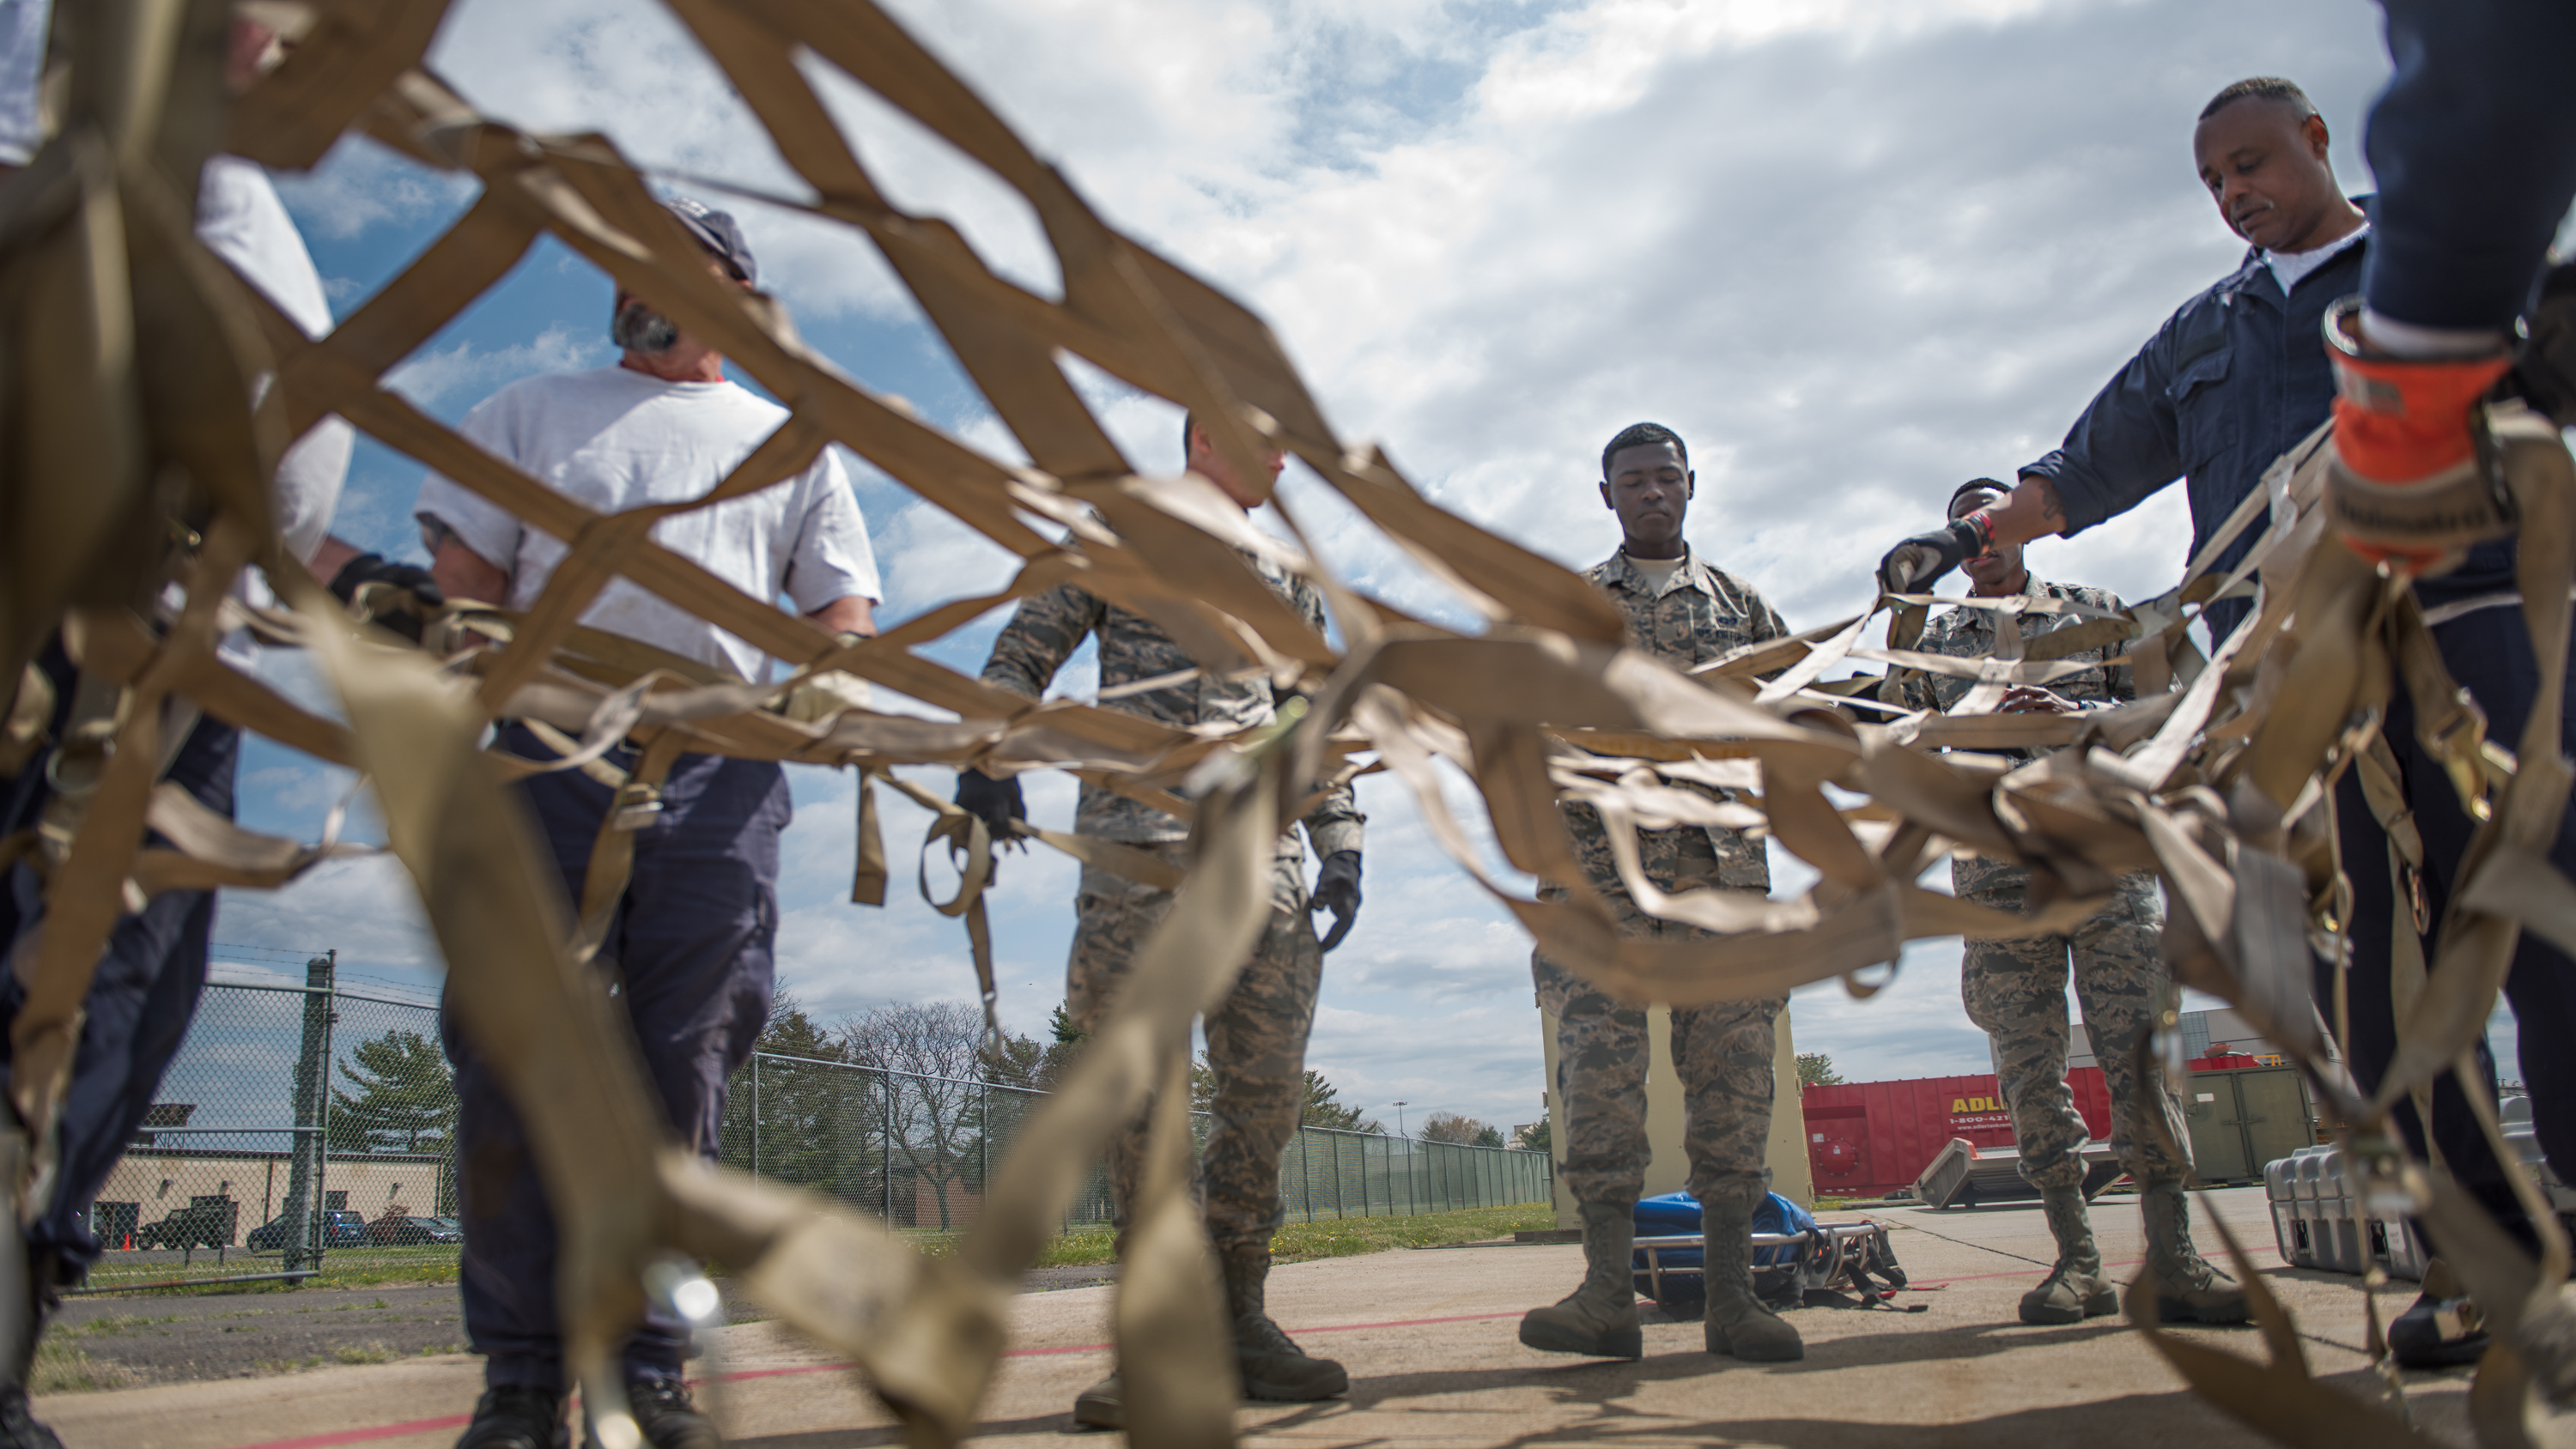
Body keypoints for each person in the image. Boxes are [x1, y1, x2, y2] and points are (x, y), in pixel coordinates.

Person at [1874, 75, 2558, 1361]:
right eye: (2212, 182)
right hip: (2298, 698)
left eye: (2252, 164)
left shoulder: (2444, 262)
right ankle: (2476, 1266)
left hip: (2465, 639)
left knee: (2535, 916)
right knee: (2370, 978)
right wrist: (1961, 532)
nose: (2236, 193)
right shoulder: (2209, 330)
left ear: (2315, 141)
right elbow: (2087, 467)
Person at [0, 12, 426, 1447]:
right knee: (40, 1001)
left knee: (126, 1010)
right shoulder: (51, 128)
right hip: (64, 640)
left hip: (183, 655)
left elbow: (225, 428)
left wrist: (348, 571)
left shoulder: (208, 181)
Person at [414, 199, 880, 1449]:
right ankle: (520, 1379)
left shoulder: (789, 444)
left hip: (719, 775)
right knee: (513, 1062)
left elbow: (842, 608)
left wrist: (822, 684)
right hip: (541, 761)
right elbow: (463, 590)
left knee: (686, 1064)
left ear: (737, 292)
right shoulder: (522, 414)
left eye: (676, 263)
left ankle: (651, 1365)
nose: (639, 280)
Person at [952, 415, 1363, 1430]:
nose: (1282, 462)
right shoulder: (1117, 529)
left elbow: (1315, 712)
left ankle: (1240, 1317)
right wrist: (984, 759)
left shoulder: (1288, 567)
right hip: (1133, 860)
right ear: (1207, 436)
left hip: (1261, 863)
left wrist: (1344, 837)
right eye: (1266, 442)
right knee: (1138, 1107)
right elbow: (1023, 649)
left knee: (1265, 1096)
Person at [1909, 480, 2234, 1326]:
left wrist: (2074, 714)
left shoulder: (2099, 615)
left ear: (2023, 530)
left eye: (1993, 521)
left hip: (2103, 867)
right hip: (1997, 881)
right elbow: (1899, 745)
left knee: (2137, 1060)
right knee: (2030, 1073)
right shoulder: (1934, 639)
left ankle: (2176, 1259)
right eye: (1964, 531)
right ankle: (2077, 1260)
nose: (1982, 541)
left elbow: (2168, 719)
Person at [1516, 421, 1801, 1365]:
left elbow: (1796, 720)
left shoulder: (1743, 604)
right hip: (1599, 877)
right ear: (1607, 496)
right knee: (1598, 1077)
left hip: (1719, 874)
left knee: (1732, 1076)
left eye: (1663, 477)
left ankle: (1733, 1297)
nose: (1649, 492)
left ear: (1691, 485)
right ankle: (1606, 1296)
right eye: (1630, 480)